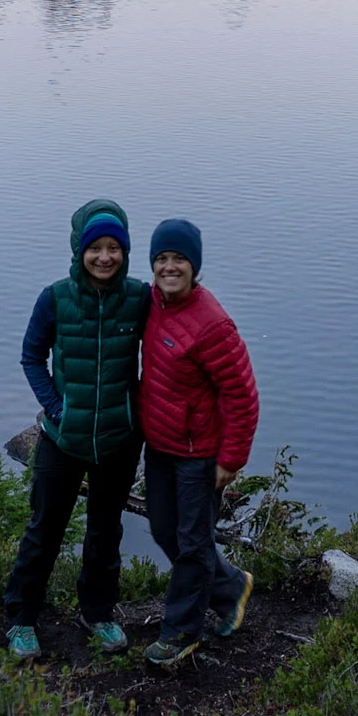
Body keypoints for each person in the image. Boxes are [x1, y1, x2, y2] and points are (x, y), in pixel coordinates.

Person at [2, 199, 150, 660]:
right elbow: (31, 356)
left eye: (114, 248)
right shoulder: (55, 298)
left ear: (125, 252)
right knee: (43, 531)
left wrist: (140, 412)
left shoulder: (141, 299)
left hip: (118, 442)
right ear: (79, 250)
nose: (105, 257)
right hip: (61, 439)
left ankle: (98, 612)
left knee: (106, 533)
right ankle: (21, 620)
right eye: (95, 248)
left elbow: (174, 343)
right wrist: (55, 407)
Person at [137, 217, 261, 667]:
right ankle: (230, 588)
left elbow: (242, 394)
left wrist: (231, 458)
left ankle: (180, 633)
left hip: (199, 454)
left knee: (192, 543)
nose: (170, 267)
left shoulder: (213, 325)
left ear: (195, 266)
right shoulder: (151, 304)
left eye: (179, 259)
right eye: (162, 259)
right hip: (161, 446)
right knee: (164, 530)